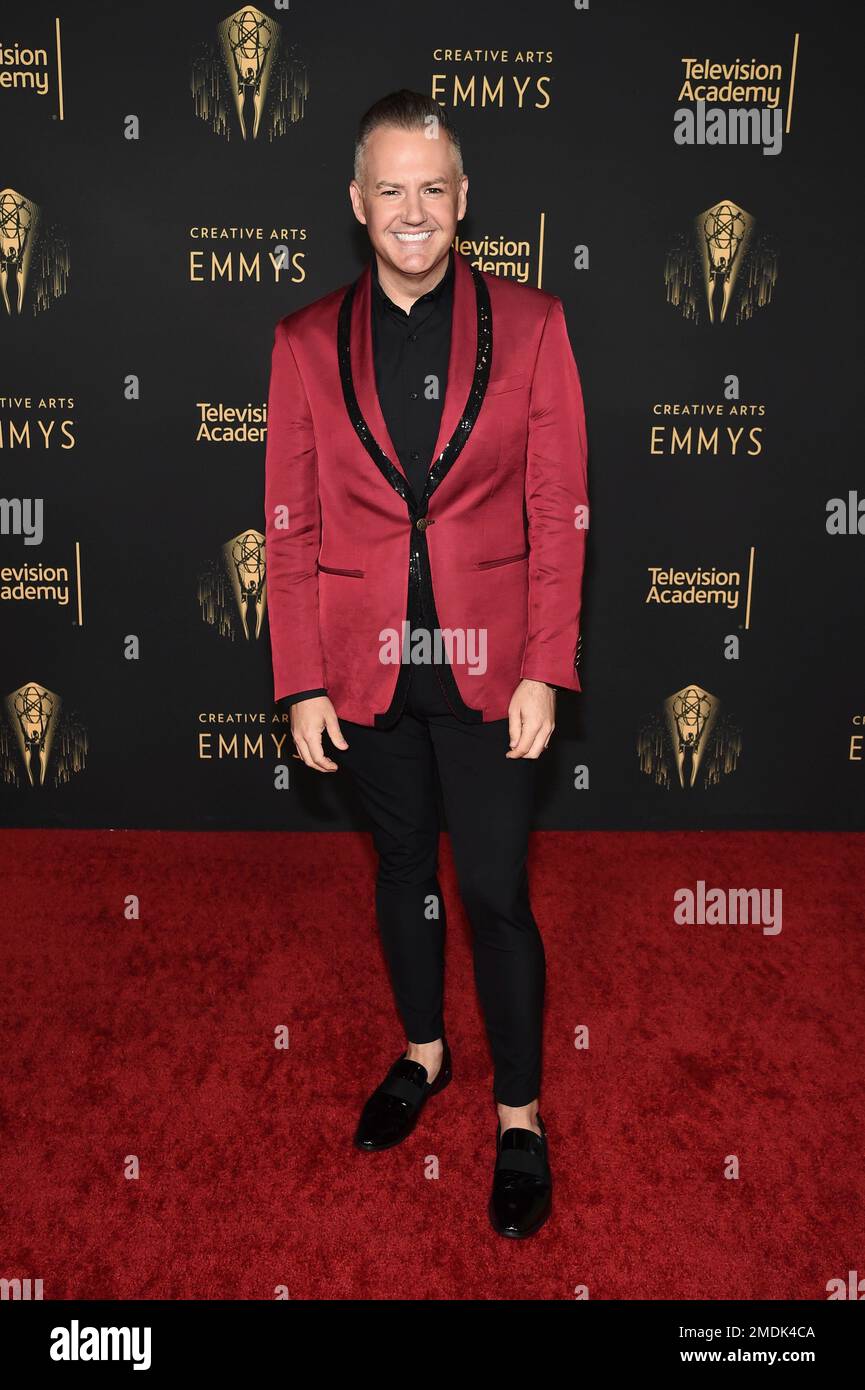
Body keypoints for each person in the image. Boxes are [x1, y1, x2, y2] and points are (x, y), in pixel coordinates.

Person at [264, 89, 589, 1238]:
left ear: (465, 200)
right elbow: (290, 521)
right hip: (367, 667)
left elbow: (557, 512)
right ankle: (423, 1051)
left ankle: (519, 1114)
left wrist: (548, 662)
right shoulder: (304, 342)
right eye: (390, 189)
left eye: (433, 188)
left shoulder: (535, 325)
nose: (413, 210)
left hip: (494, 668)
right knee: (402, 867)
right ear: (357, 205)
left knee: (494, 892)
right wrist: (300, 676)